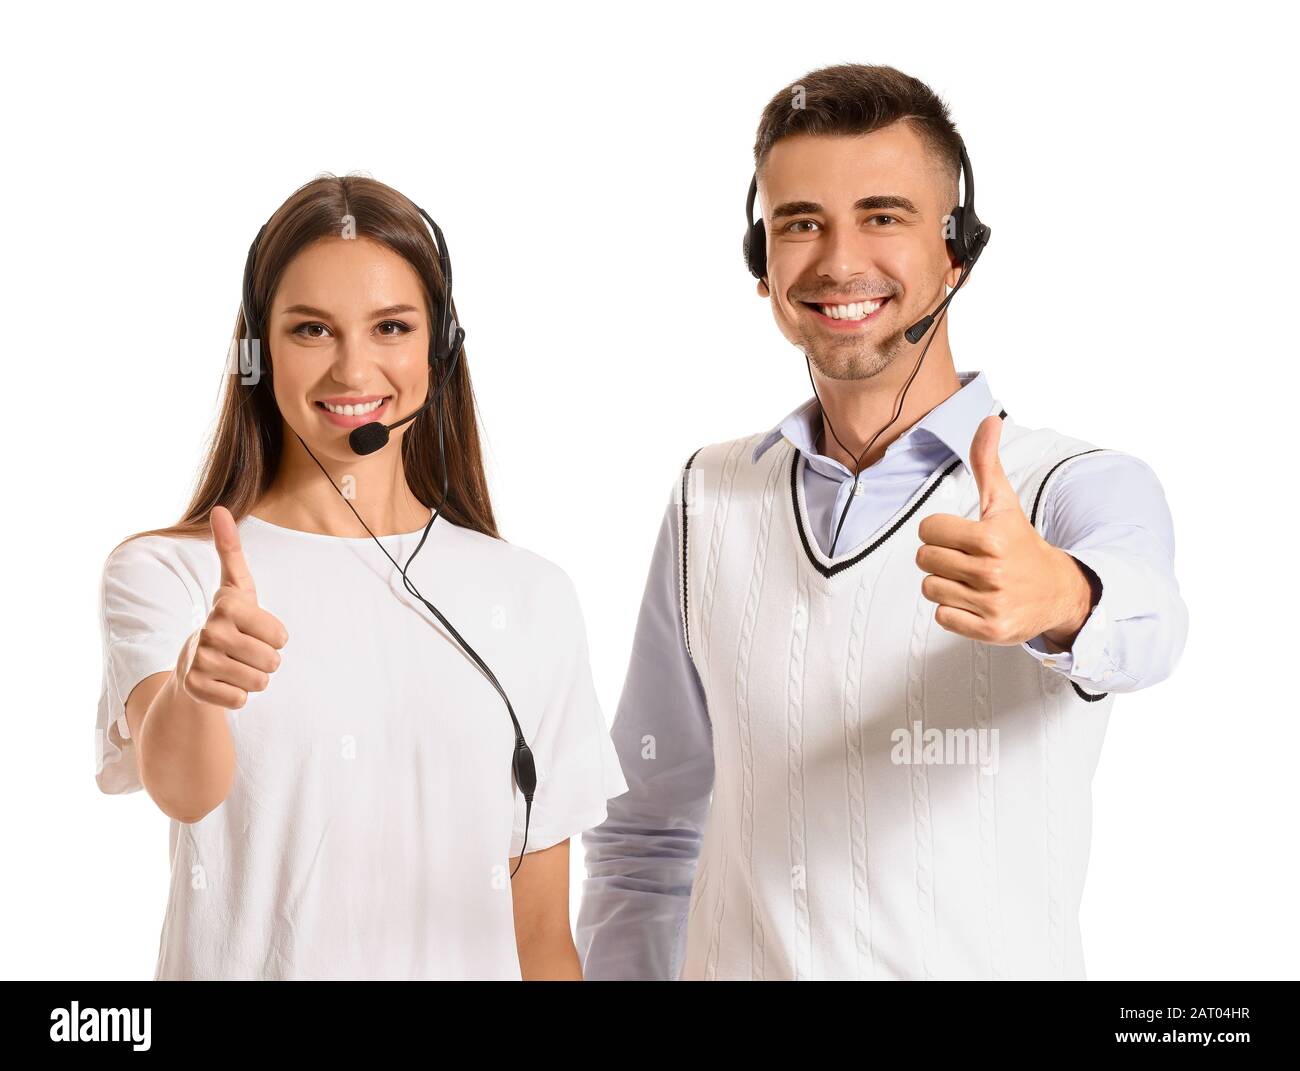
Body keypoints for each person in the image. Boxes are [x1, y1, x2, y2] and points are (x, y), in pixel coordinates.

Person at [576, 64, 1189, 981]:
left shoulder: (1070, 484)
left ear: (958, 252)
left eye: (883, 215)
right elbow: (648, 833)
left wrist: (1063, 595)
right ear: (763, 262)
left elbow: (1150, 623)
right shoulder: (708, 494)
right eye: (801, 223)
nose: (838, 260)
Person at [94, 174, 627, 980]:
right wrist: (198, 687)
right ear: (255, 351)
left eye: (391, 327)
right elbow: (182, 788)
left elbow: (542, 937)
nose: (353, 369)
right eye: (311, 329)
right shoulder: (167, 571)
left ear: (438, 349)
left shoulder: (531, 598)